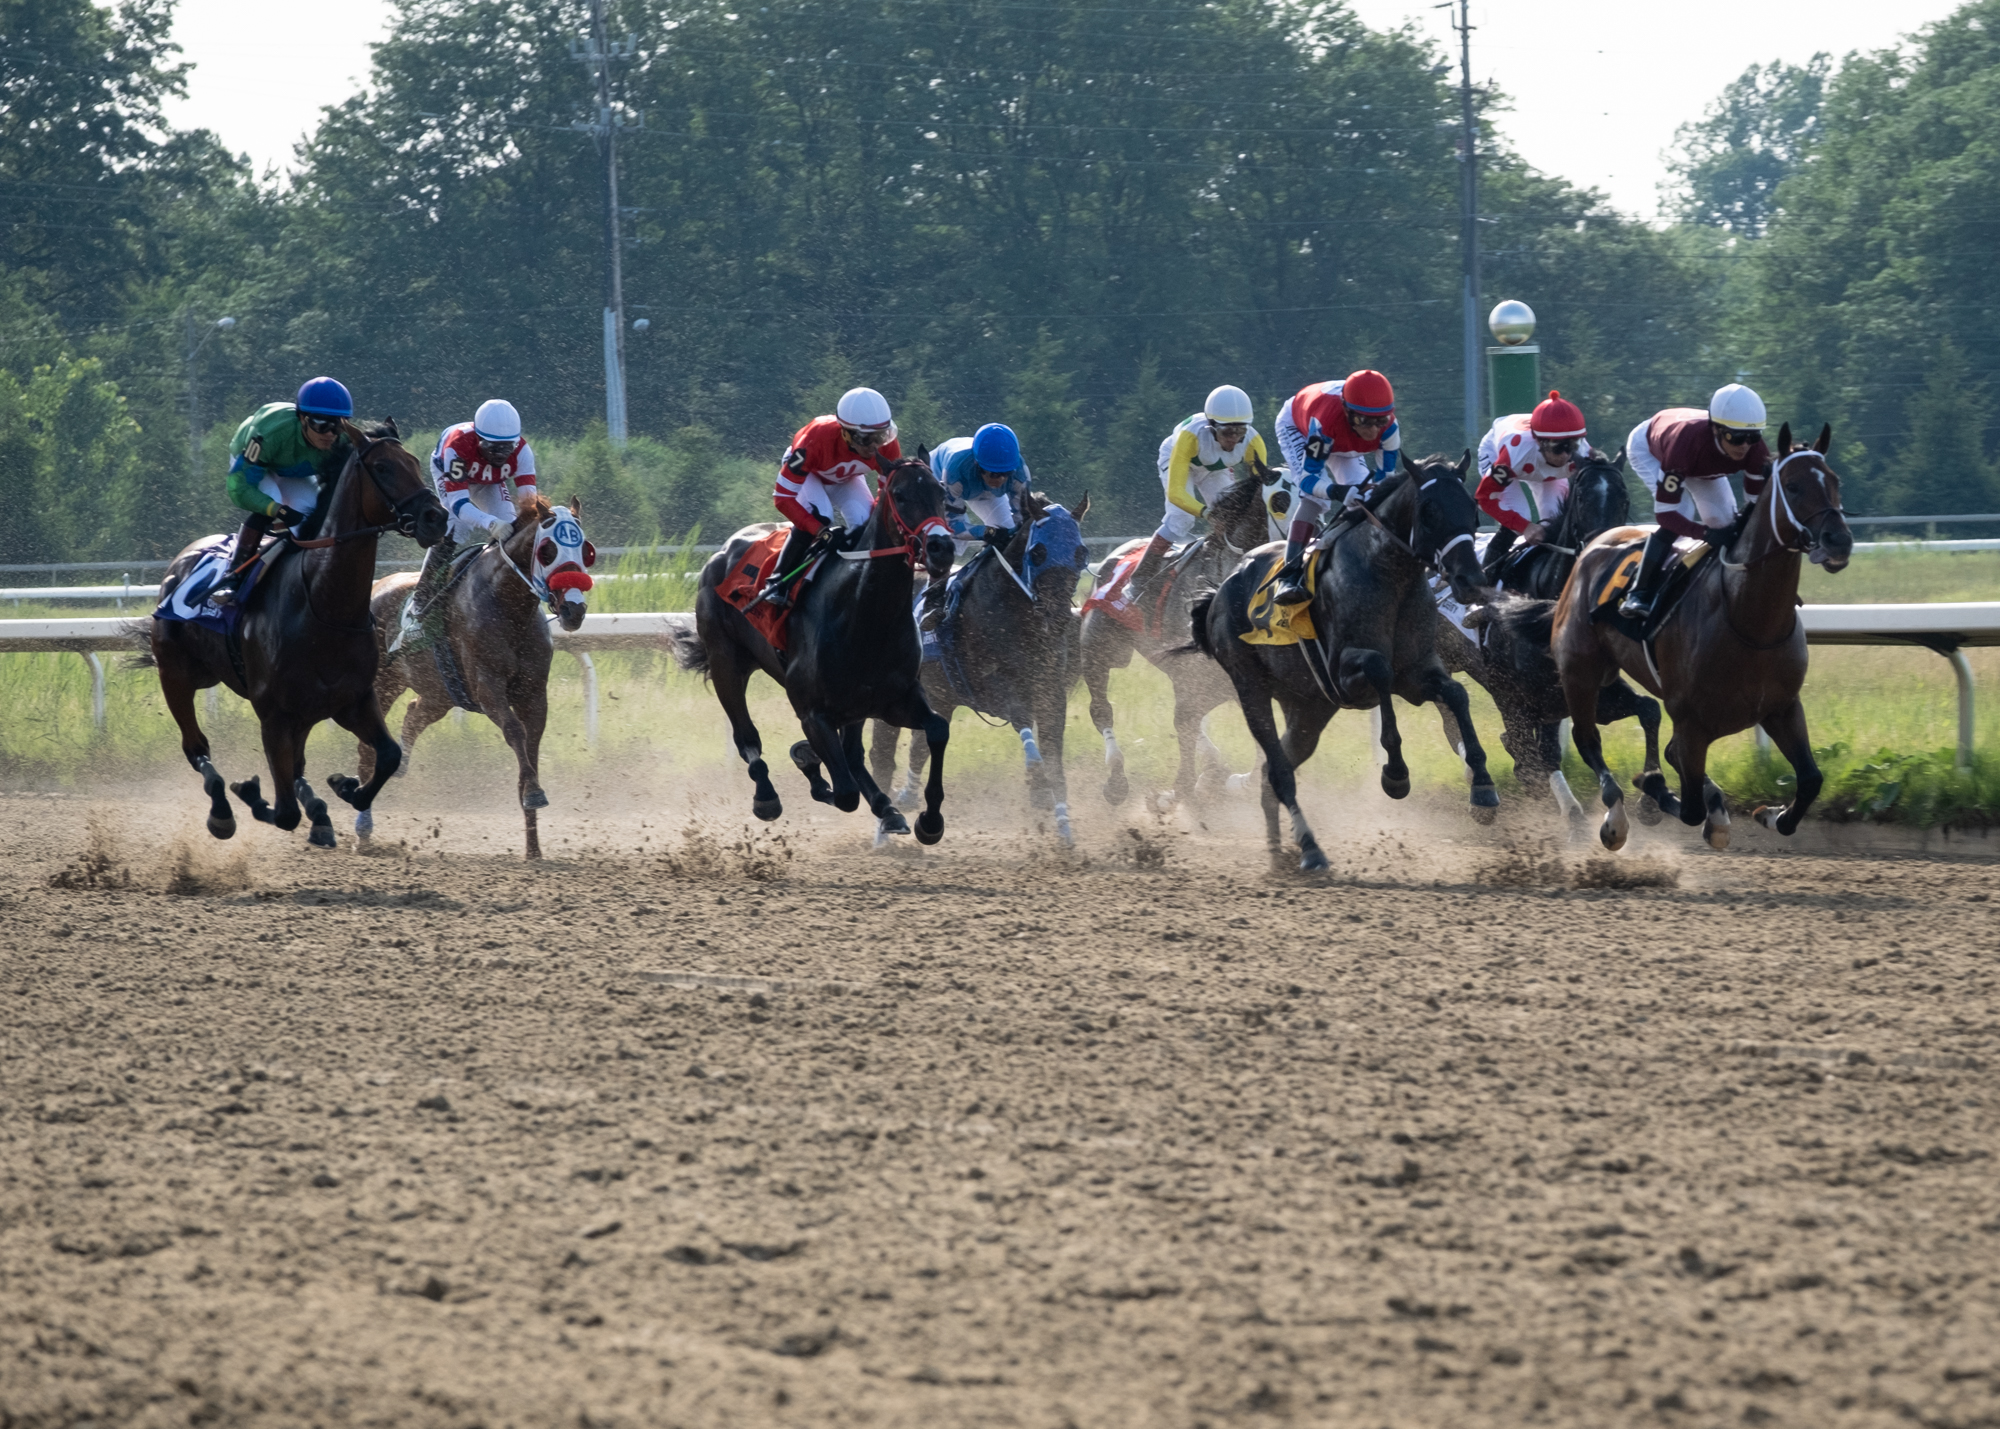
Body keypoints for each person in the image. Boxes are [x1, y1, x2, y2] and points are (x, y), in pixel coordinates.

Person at [1618, 383, 1773, 620]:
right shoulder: (1685, 444)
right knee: (1682, 510)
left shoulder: (1756, 450)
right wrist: (1705, 534)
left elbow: (1755, 506)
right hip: (1651, 449)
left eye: (1753, 437)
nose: (1744, 446)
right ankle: (1639, 592)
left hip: (1699, 462)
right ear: (1716, 429)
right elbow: (1665, 515)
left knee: (1725, 521)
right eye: (1735, 437)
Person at [1117, 385, 1268, 606]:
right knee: (1181, 519)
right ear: (1211, 427)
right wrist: (1208, 514)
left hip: (1213, 468)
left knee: (1235, 517)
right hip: (1178, 460)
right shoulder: (1190, 437)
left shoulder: (1254, 442)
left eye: (1240, 431)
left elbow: (1259, 491)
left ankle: (1225, 568)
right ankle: (1139, 579)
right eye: (1227, 432)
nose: (1234, 439)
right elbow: (1176, 493)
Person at [210, 377, 353, 605]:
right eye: (321, 424)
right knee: (272, 501)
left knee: (313, 511)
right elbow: (240, 488)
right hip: (252, 466)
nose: (330, 434)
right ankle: (234, 575)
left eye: (337, 424)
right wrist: (278, 510)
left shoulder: (343, 439)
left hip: (293, 470)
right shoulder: (270, 432)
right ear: (302, 418)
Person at [760, 386, 902, 608]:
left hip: (844, 478)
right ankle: (779, 580)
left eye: (881, 437)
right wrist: (820, 531)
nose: (875, 447)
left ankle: (862, 580)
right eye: (867, 439)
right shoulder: (812, 441)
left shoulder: (888, 446)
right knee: (822, 515)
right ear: (845, 432)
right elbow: (782, 498)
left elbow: (885, 494)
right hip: (809, 474)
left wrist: (872, 519)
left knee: (865, 523)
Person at [402, 398, 540, 624]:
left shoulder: (523, 451)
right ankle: (422, 596)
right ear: (478, 439)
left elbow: (529, 506)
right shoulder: (458, 445)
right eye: (494, 447)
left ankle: (508, 591)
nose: (501, 454)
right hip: (450, 474)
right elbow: (459, 505)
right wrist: (490, 523)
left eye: (508, 447)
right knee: (456, 526)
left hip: (490, 481)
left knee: (512, 527)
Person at [1270, 369, 1400, 604]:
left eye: (1380, 422)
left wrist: (1364, 494)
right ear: (1347, 411)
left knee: (1365, 500)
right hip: (1299, 426)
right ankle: (1289, 575)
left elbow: (1384, 484)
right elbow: (1309, 481)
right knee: (1315, 500)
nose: (1373, 431)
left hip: (1342, 437)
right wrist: (1338, 492)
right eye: (1364, 421)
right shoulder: (1325, 423)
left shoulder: (1390, 429)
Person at [1474, 390, 1593, 578]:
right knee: (1520, 515)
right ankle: (1487, 580)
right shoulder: (1513, 456)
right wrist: (1525, 526)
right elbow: (1484, 498)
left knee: (1554, 521)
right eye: (1558, 447)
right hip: (1499, 452)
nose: (1566, 455)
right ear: (1540, 442)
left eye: (1572, 445)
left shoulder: (1585, 453)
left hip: (1542, 469)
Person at [931, 423, 1031, 556]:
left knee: (1008, 531)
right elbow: (952, 526)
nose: (1001, 480)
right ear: (977, 464)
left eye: (1007, 473)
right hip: (938, 474)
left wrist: (1005, 534)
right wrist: (988, 533)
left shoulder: (1020, 474)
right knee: (952, 544)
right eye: (994, 474)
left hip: (973, 483)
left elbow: (1021, 524)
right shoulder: (955, 473)